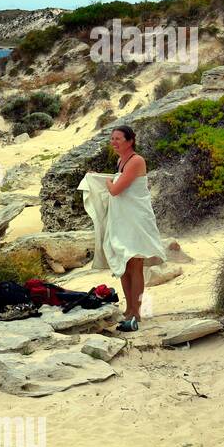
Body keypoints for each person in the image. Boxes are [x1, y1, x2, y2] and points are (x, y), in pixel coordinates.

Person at [79, 125, 167, 332]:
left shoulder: (136, 161)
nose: (114, 142)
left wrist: (107, 180)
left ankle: (136, 311)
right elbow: (121, 180)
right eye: (112, 139)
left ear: (130, 141)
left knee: (135, 265)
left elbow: (116, 189)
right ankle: (129, 309)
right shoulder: (121, 162)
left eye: (118, 138)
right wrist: (99, 177)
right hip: (124, 220)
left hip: (136, 221)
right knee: (125, 265)